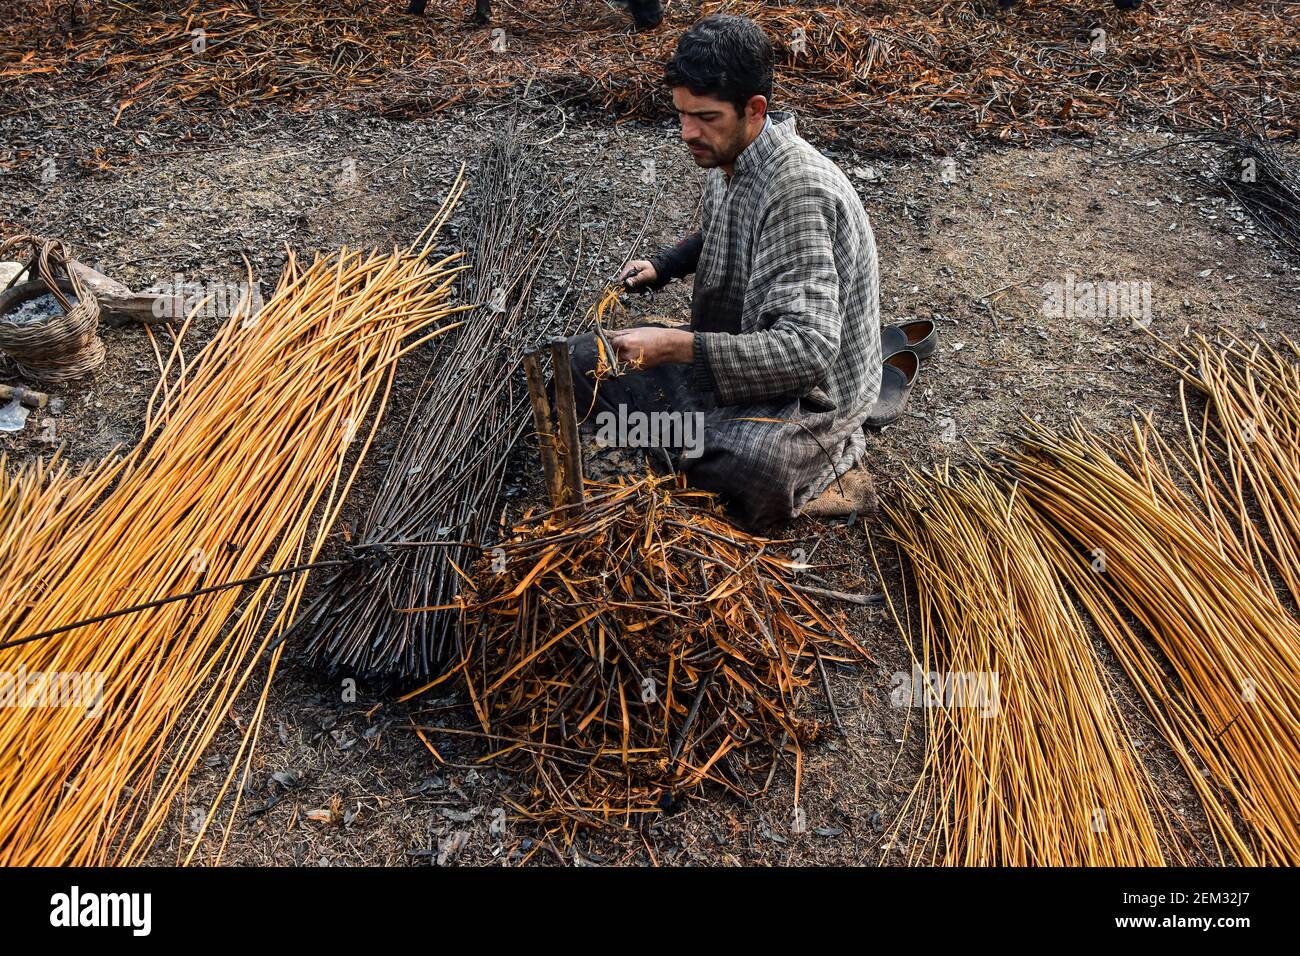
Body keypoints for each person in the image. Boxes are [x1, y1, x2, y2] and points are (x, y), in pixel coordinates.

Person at [567, 13, 881, 528]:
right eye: (682, 115)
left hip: (809, 394)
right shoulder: (733, 154)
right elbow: (721, 232)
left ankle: (698, 440)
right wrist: (663, 266)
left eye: (706, 117)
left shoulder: (798, 193)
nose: (688, 133)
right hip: (736, 348)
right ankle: (684, 436)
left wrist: (677, 348)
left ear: (755, 109)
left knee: (754, 465)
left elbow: (808, 353)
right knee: (584, 360)